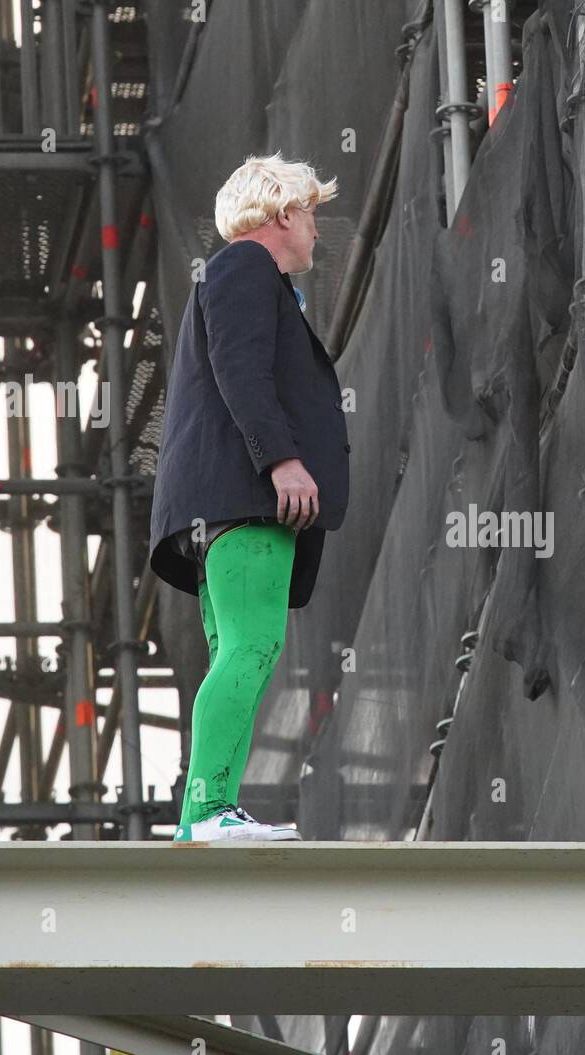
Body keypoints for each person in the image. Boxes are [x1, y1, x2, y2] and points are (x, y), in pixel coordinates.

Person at [148, 153, 350, 842]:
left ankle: (207, 814)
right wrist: (284, 462)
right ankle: (205, 813)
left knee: (239, 647)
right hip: (243, 501)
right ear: (283, 212)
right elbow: (240, 369)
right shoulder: (244, 267)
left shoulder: (240, 276)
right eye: (312, 213)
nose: (317, 231)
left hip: (220, 506)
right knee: (253, 646)